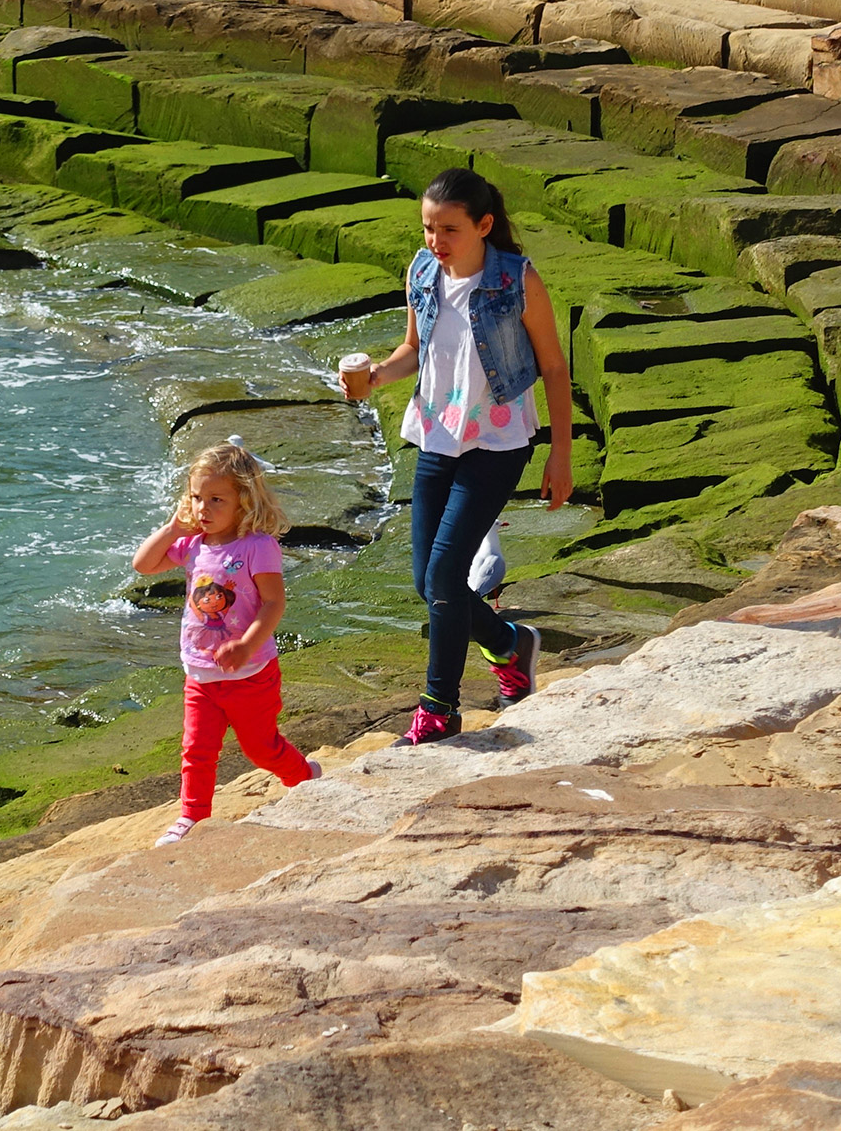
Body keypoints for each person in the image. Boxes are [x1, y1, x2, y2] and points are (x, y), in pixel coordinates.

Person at [340, 170, 572, 747]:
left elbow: (556, 368)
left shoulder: (516, 279)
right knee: (428, 581)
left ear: (483, 226)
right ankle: (508, 644)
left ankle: (439, 709)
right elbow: (412, 352)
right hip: (437, 436)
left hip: (497, 442)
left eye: (448, 229)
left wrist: (560, 455)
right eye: (427, 228)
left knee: (446, 574)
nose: (435, 241)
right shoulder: (421, 272)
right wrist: (373, 379)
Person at [132, 443, 318, 848]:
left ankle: (304, 776)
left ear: (244, 501)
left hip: (250, 674)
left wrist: (247, 646)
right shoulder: (194, 543)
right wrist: (172, 529)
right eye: (197, 498)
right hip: (199, 672)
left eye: (217, 499)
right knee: (196, 750)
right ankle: (192, 818)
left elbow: (273, 602)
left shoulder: (257, 546)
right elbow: (143, 565)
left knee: (261, 749)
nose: (204, 508)